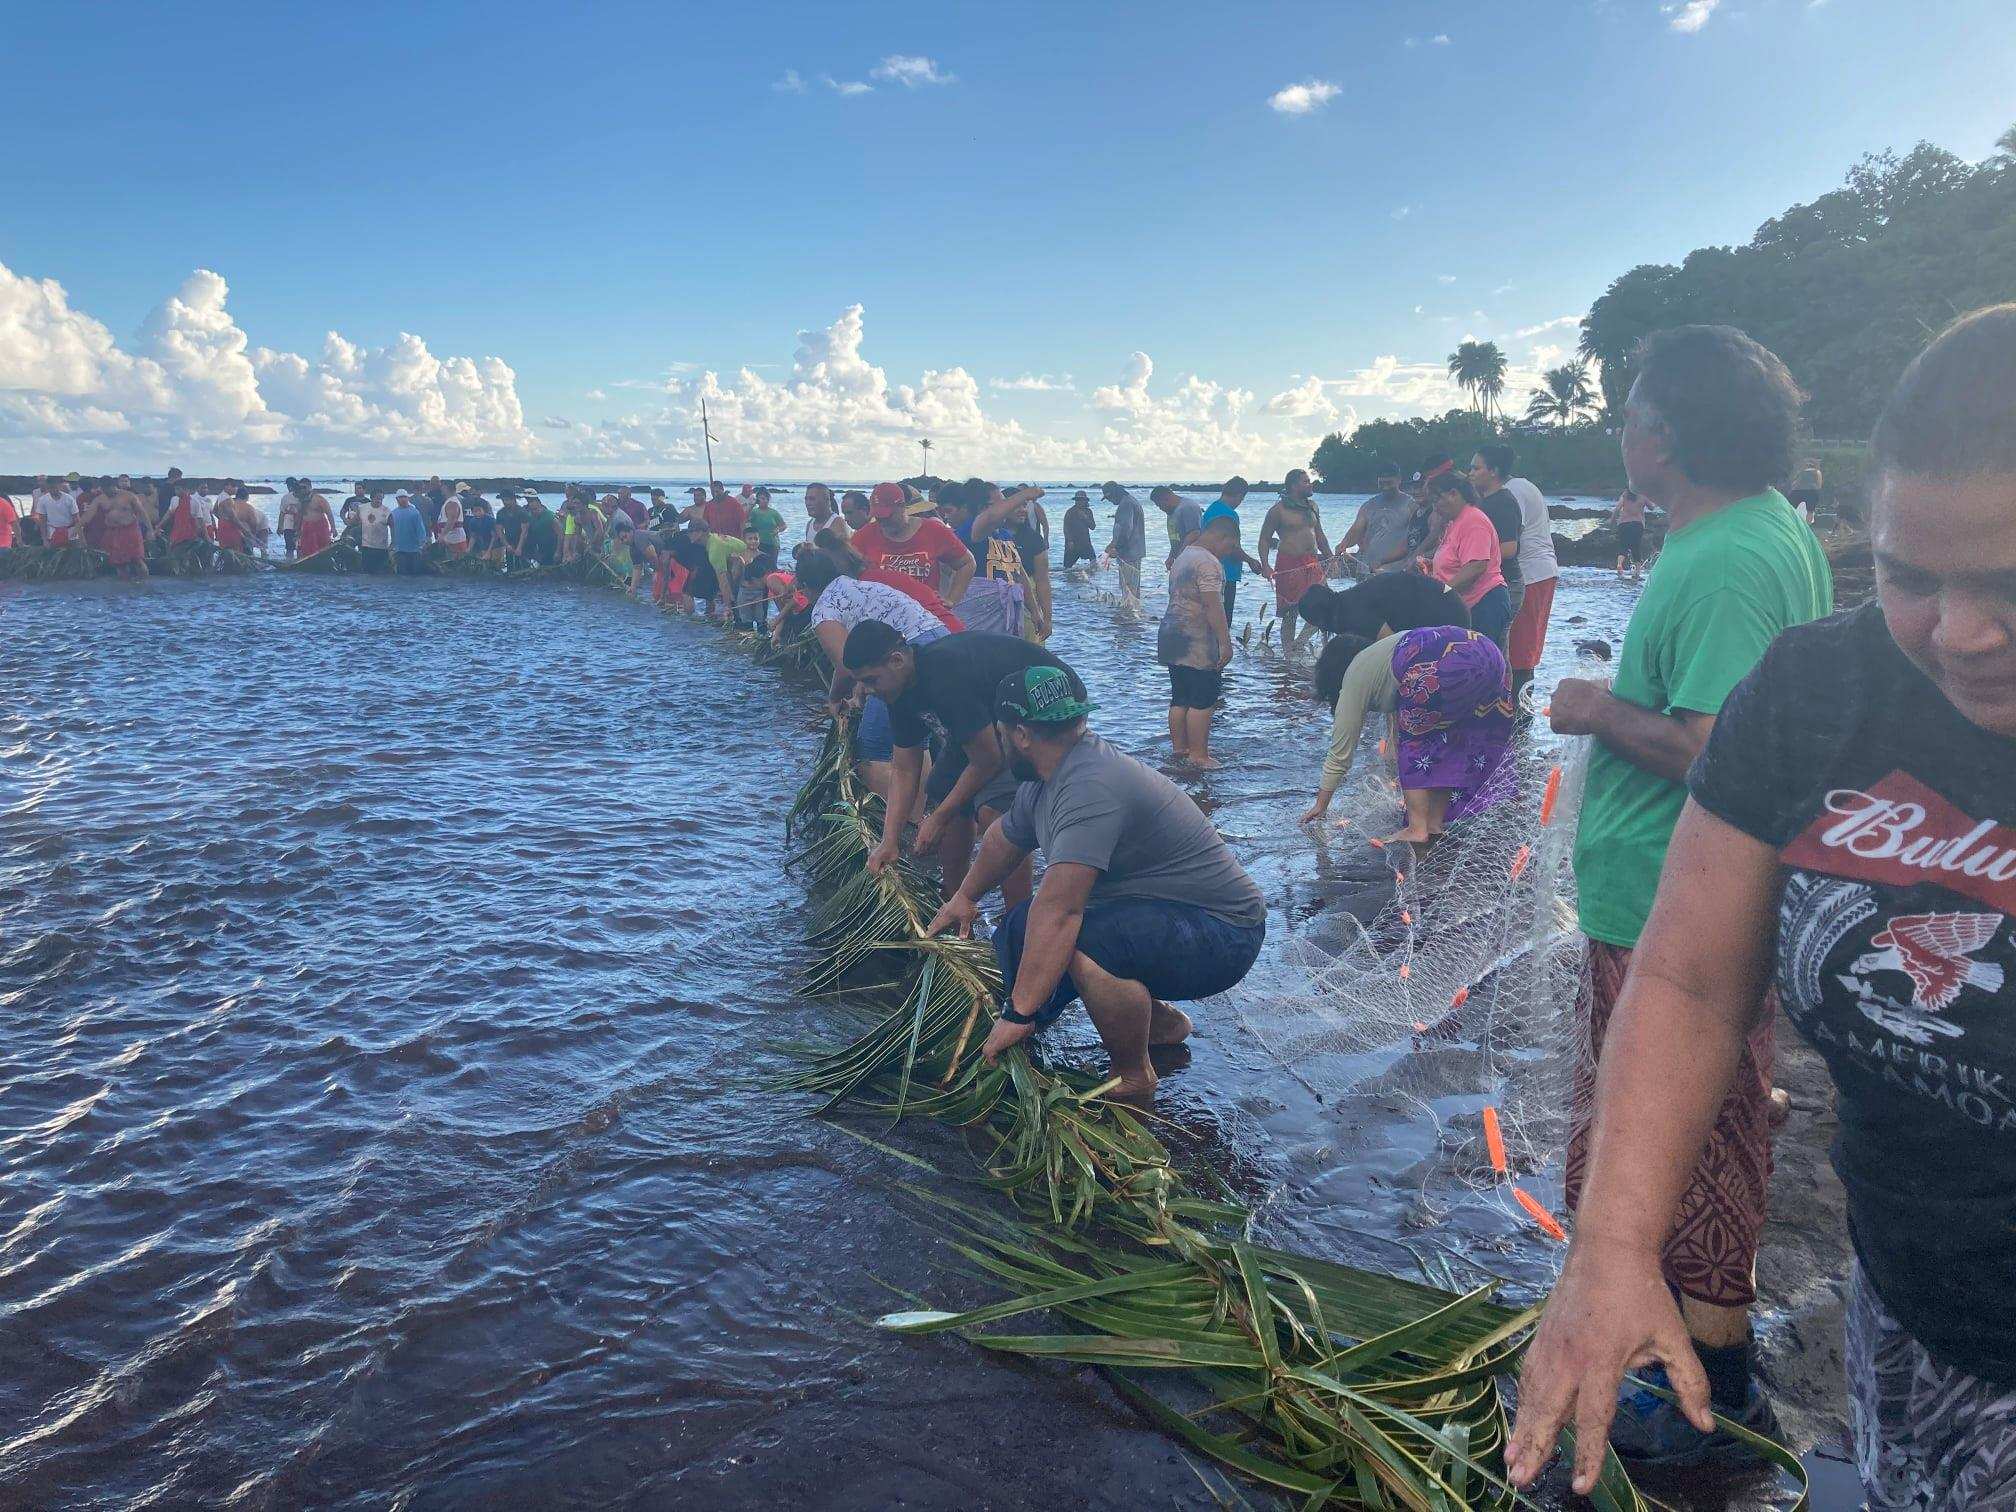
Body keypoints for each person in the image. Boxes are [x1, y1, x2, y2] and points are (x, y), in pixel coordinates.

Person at [1510, 307, 2016, 1507]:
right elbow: (1691, 982)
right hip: (1908, 1310)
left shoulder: (1733, 556)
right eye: (1909, 578)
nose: (1960, 635)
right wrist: (1611, 1252)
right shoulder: (1820, 688)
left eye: (2009, 583)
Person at [1536, 324, 1834, 1470]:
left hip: (1675, 904)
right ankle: (1681, 1353)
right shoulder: (1753, 531)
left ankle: (1700, 1383)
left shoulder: (1724, 560)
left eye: (1630, 416)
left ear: (1665, 436)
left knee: (1680, 1128)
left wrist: (1593, 709)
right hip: (1669, 892)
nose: (1621, 435)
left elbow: (1716, 746)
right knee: (1703, 1117)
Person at [924, 665, 1267, 1104]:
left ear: (1020, 734)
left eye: (1003, 732)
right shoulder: (1047, 776)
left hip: (1225, 933)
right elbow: (1004, 840)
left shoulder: (1088, 789)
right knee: (1019, 926)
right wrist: (964, 898)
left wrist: (1019, 1014)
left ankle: (1133, 1075)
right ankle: (1161, 1025)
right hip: (1160, 914)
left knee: (1082, 942)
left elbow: (1061, 912)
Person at [843, 622, 1069, 903]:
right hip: (988, 718)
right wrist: (889, 841)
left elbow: (988, 759)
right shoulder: (898, 690)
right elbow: (905, 768)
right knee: (942, 790)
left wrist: (938, 818)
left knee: (995, 808)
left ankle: (1017, 915)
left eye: (870, 680)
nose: (866, 691)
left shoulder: (944, 675)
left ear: (897, 660)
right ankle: (954, 900)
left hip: (1047, 705)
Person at [1298, 627, 1512, 842]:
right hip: (1489, 653)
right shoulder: (1383, 655)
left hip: (1436, 666)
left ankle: (1416, 828)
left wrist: (1321, 805)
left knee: (1414, 741)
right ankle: (1434, 823)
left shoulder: (1354, 675)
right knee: (1450, 739)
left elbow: (1340, 753)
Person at [1158, 512, 1235, 767]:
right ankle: (1199, 755)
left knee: (1180, 696)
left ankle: (1180, 749)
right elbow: (1213, 605)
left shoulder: (1184, 555)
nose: (1228, 553)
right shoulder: (1208, 563)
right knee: (1203, 697)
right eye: (1230, 547)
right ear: (1222, 537)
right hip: (1196, 638)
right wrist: (1225, 643)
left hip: (1172, 634)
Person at [850, 482, 975, 606]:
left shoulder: (933, 531)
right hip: (881, 615)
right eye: (878, 517)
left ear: (902, 506)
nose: (883, 522)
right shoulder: (863, 536)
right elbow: (845, 575)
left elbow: (967, 563)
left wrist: (952, 599)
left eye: (887, 516)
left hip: (926, 613)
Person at [1426, 476, 1513, 645]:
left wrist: (1442, 592)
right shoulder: (1455, 522)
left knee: (1480, 657)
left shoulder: (1473, 521)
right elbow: (1456, 560)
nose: (1435, 508)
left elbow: (1476, 566)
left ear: (1453, 494)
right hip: (1466, 604)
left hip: (1485, 603)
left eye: (1436, 500)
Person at [1258, 469, 1334, 654]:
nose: (1310, 484)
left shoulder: (1313, 506)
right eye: (1306, 481)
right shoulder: (1278, 510)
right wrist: (1265, 565)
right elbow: (1264, 539)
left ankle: (1298, 645)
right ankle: (1288, 655)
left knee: (1326, 605)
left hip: (1312, 563)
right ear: (1293, 486)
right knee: (1290, 612)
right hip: (1288, 564)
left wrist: (1331, 558)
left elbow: (1320, 536)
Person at [1504, 457, 1561, 698]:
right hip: (1540, 572)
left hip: (1531, 574)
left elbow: (1512, 535)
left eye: (1477, 468)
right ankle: (1519, 711)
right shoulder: (1523, 486)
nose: (1472, 475)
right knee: (1523, 649)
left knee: (1521, 652)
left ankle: (1521, 714)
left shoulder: (1512, 491)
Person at [1294, 571, 1471, 642]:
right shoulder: (1347, 600)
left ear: (1321, 619)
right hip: (1448, 600)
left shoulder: (1353, 614)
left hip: (1447, 613)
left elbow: (1392, 644)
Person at [1468, 446, 1525, 625]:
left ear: (1494, 471)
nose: (1470, 473)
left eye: (1476, 468)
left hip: (1505, 585)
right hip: (1487, 585)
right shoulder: (1483, 501)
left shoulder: (1503, 502)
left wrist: (1472, 558)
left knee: (1493, 640)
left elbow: (1509, 548)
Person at [1201, 476, 1269, 621]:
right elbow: (1232, 547)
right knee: (1224, 620)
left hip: (1209, 570)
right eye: (1241, 499)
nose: (1240, 502)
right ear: (1239, 495)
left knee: (1210, 617)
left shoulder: (1212, 509)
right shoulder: (1229, 514)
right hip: (1225, 574)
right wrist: (1250, 561)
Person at [1339, 460, 1416, 576]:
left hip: (1396, 571)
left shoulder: (1411, 504)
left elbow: (1415, 538)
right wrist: (1343, 544)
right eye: (1382, 483)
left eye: (1389, 483)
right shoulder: (1368, 506)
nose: (1386, 487)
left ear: (1399, 480)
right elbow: (1356, 531)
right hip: (1367, 569)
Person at [1099, 481, 1147, 621]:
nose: (1109, 500)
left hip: (1129, 553)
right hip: (1132, 552)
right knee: (1132, 589)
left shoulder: (1126, 504)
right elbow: (1123, 531)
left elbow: (1126, 530)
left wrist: (1116, 548)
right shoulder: (1130, 502)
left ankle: (1129, 620)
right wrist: (1112, 544)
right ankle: (1132, 620)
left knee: (1129, 589)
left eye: (1108, 497)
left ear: (1114, 493)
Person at [97, 476, 151, 579]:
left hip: (130, 530)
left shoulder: (130, 495)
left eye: (105, 489)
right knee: (119, 563)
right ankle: (124, 584)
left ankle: (144, 582)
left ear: (112, 486)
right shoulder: (101, 498)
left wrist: (150, 530)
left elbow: (142, 513)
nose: (104, 491)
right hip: (114, 532)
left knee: (137, 560)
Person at [1151, 486, 1205, 566]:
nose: (1160, 508)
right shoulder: (1171, 510)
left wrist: (1181, 555)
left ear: (1166, 498)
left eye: (1159, 505)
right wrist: (1171, 556)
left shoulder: (1188, 507)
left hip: (1194, 559)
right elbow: (1176, 538)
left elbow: (1194, 533)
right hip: (1183, 558)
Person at [388, 491, 430, 573]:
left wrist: (423, 543)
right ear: (397, 499)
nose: (403, 499)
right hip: (399, 550)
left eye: (405, 497)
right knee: (402, 574)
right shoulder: (393, 513)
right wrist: (392, 544)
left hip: (414, 550)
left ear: (408, 498)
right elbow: (392, 530)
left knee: (415, 574)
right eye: (401, 497)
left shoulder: (415, 512)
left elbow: (420, 529)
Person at [1613, 487, 1648, 581]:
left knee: (1623, 546)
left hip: (1623, 524)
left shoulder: (1625, 495)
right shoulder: (1643, 495)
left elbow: (1617, 509)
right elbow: (1652, 507)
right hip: (1637, 524)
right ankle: (1637, 573)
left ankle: (1619, 564)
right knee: (1636, 548)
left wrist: (1612, 520)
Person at [1061, 490, 1098, 569]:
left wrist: (1085, 518)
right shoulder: (1070, 512)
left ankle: (1093, 576)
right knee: (1067, 568)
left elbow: (1093, 527)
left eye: (1081, 500)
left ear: (1085, 501)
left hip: (1085, 542)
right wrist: (1070, 541)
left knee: (1094, 563)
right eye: (1077, 500)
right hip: (1073, 543)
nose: (1079, 502)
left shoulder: (1088, 511)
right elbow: (1066, 528)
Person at [520, 494, 560, 567]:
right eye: (532, 510)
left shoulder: (550, 516)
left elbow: (560, 535)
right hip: (541, 548)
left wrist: (558, 551)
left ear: (540, 506)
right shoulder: (531, 517)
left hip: (553, 546)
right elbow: (527, 534)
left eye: (536, 509)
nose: (534, 511)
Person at [358, 490, 393, 572]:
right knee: (367, 573)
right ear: (371, 498)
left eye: (381, 499)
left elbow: (393, 527)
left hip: (381, 547)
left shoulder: (386, 511)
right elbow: (355, 522)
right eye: (377, 498)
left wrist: (393, 542)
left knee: (381, 573)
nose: (379, 501)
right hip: (366, 546)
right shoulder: (362, 508)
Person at [1785, 458, 1823, 522]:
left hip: (1799, 491)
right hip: (1812, 492)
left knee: (1790, 508)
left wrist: (1791, 490)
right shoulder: (1817, 472)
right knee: (1810, 511)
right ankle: (1808, 525)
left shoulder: (1801, 472)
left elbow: (1795, 483)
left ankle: (1790, 521)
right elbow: (1819, 485)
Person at [435, 486, 469, 555]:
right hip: (451, 538)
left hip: (454, 539)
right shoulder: (450, 501)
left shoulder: (452, 503)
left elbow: (452, 520)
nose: (441, 489)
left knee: (456, 559)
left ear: (446, 488)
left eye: (443, 487)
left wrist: (442, 535)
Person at [276, 479, 303, 560]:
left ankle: (290, 561)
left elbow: (282, 513)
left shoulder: (286, 497)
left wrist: (280, 527)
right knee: (296, 546)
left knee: (291, 547)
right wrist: (280, 526)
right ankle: (297, 560)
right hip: (293, 524)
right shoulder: (288, 497)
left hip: (291, 524)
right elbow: (282, 513)